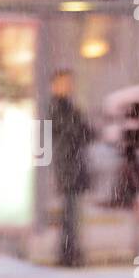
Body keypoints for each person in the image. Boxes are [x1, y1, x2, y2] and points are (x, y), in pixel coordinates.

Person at [48, 69, 95, 267]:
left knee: (72, 213)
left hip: (72, 165)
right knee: (70, 213)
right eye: (65, 82)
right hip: (67, 166)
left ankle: (71, 251)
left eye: (70, 82)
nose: (69, 86)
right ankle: (68, 253)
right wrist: (80, 128)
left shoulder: (67, 107)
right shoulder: (57, 107)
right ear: (55, 85)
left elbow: (85, 132)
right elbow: (76, 131)